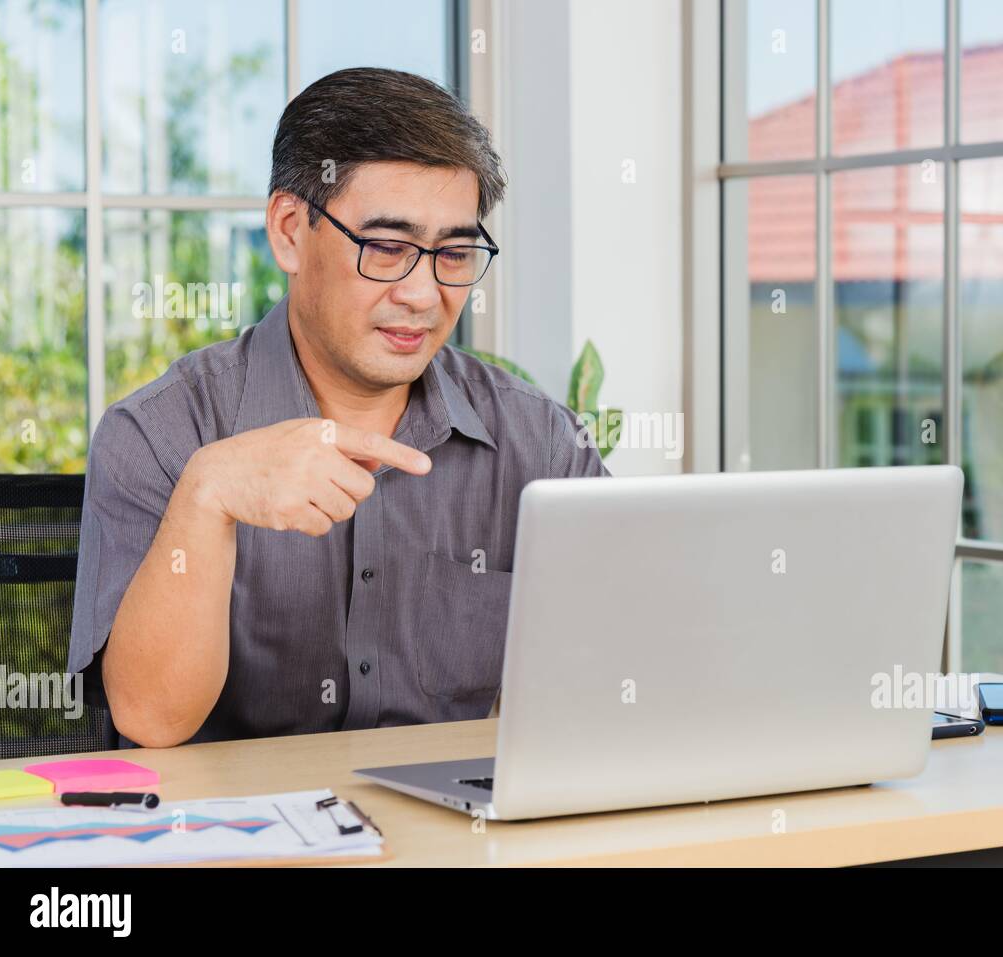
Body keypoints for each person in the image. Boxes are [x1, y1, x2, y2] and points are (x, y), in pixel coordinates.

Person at [68, 68, 609, 749]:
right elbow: (150, 718)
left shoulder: (540, 443)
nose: (422, 292)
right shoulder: (157, 433)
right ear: (291, 231)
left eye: (455, 252)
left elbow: (626, 668)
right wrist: (206, 496)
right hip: (232, 845)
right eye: (387, 248)